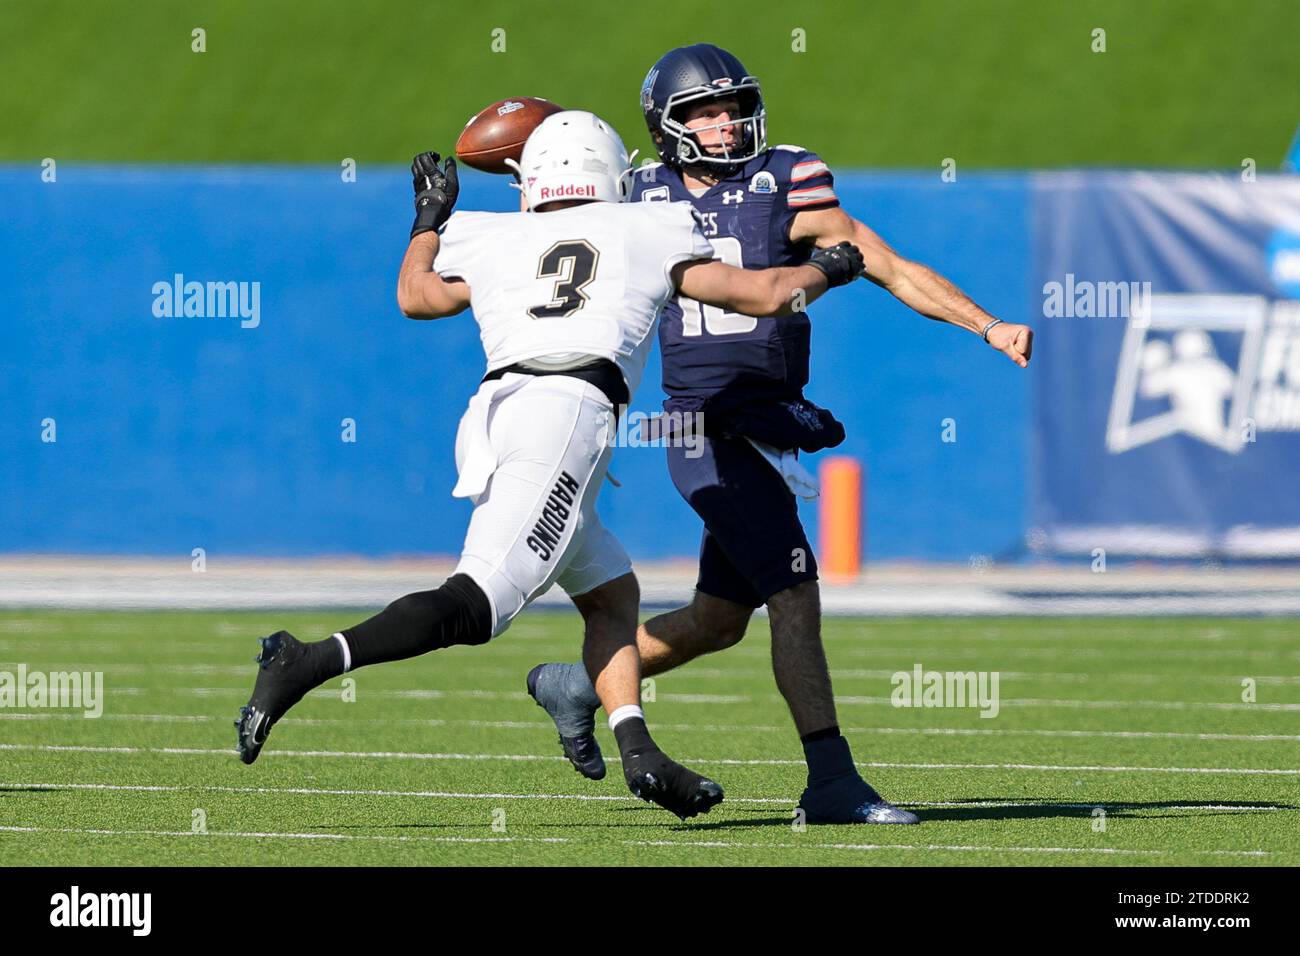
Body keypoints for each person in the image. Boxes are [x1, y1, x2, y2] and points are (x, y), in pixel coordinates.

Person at [234, 109, 866, 821]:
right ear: (609, 174)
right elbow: (766, 294)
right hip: (566, 417)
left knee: (612, 595)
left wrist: (427, 221)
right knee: (476, 605)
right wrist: (830, 267)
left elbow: (416, 297)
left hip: (500, 412)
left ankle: (639, 752)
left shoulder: (496, 234)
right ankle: (306, 661)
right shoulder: (646, 228)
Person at [528, 45, 1034, 825]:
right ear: (667, 125)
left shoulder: (785, 182)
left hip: (767, 420)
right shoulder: (632, 197)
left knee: (718, 621)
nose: (725, 121)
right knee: (794, 590)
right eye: (704, 109)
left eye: (733, 105)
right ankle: (831, 783)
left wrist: (988, 325)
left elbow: (888, 265)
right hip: (701, 425)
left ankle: (576, 683)